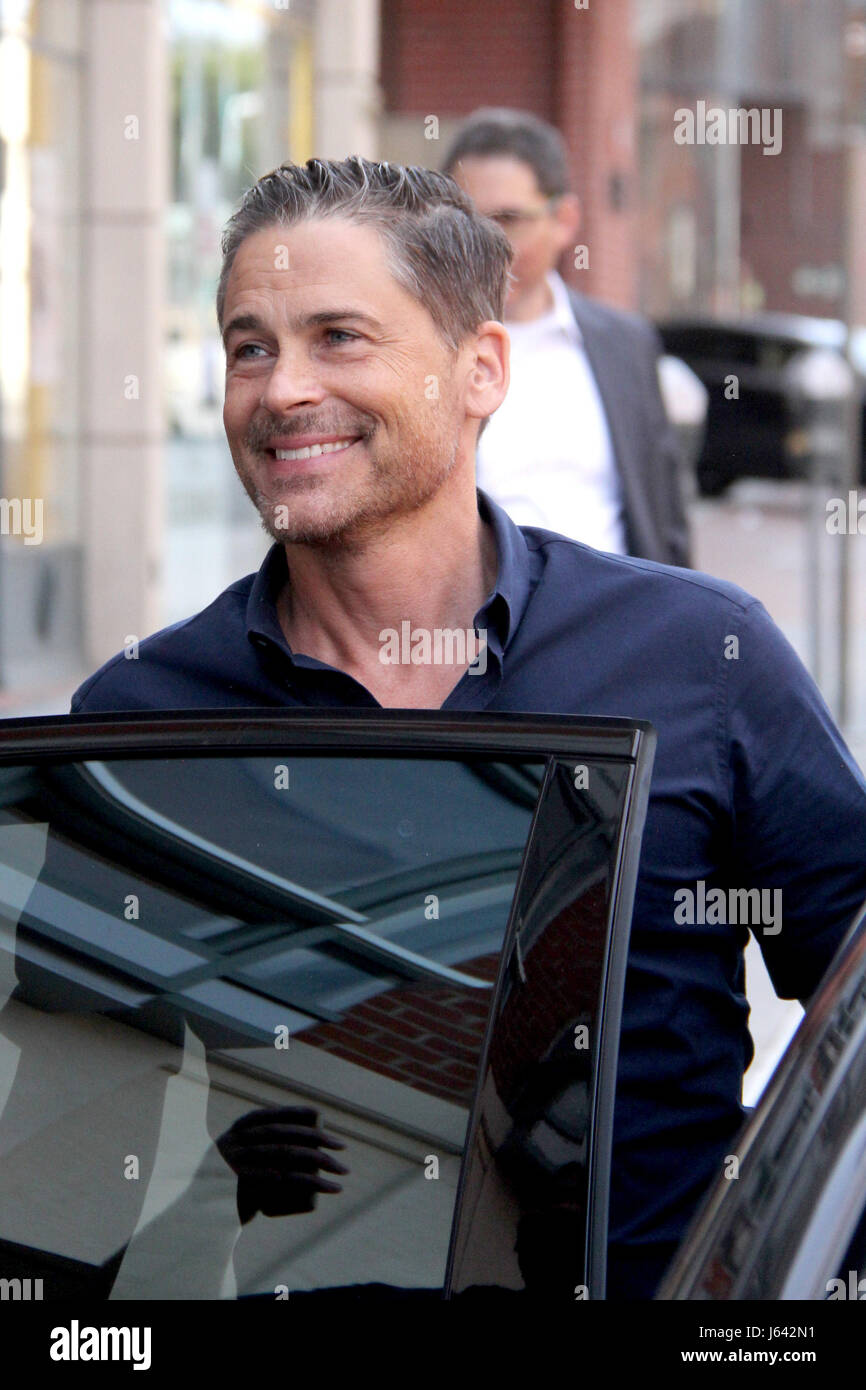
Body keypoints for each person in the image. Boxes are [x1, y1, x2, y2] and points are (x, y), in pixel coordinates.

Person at [69, 156, 866, 1299]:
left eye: (339, 336)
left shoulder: (701, 657)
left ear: (479, 369)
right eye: (250, 345)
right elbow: (79, 1115)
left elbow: (851, 1014)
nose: (281, 387)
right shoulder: (139, 718)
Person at [442, 107, 690, 567]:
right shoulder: (421, 351)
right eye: (465, 221)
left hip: (617, 621)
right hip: (474, 628)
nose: (484, 242)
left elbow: (663, 514)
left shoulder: (625, 344)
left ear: (565, 220)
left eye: (508, 219)